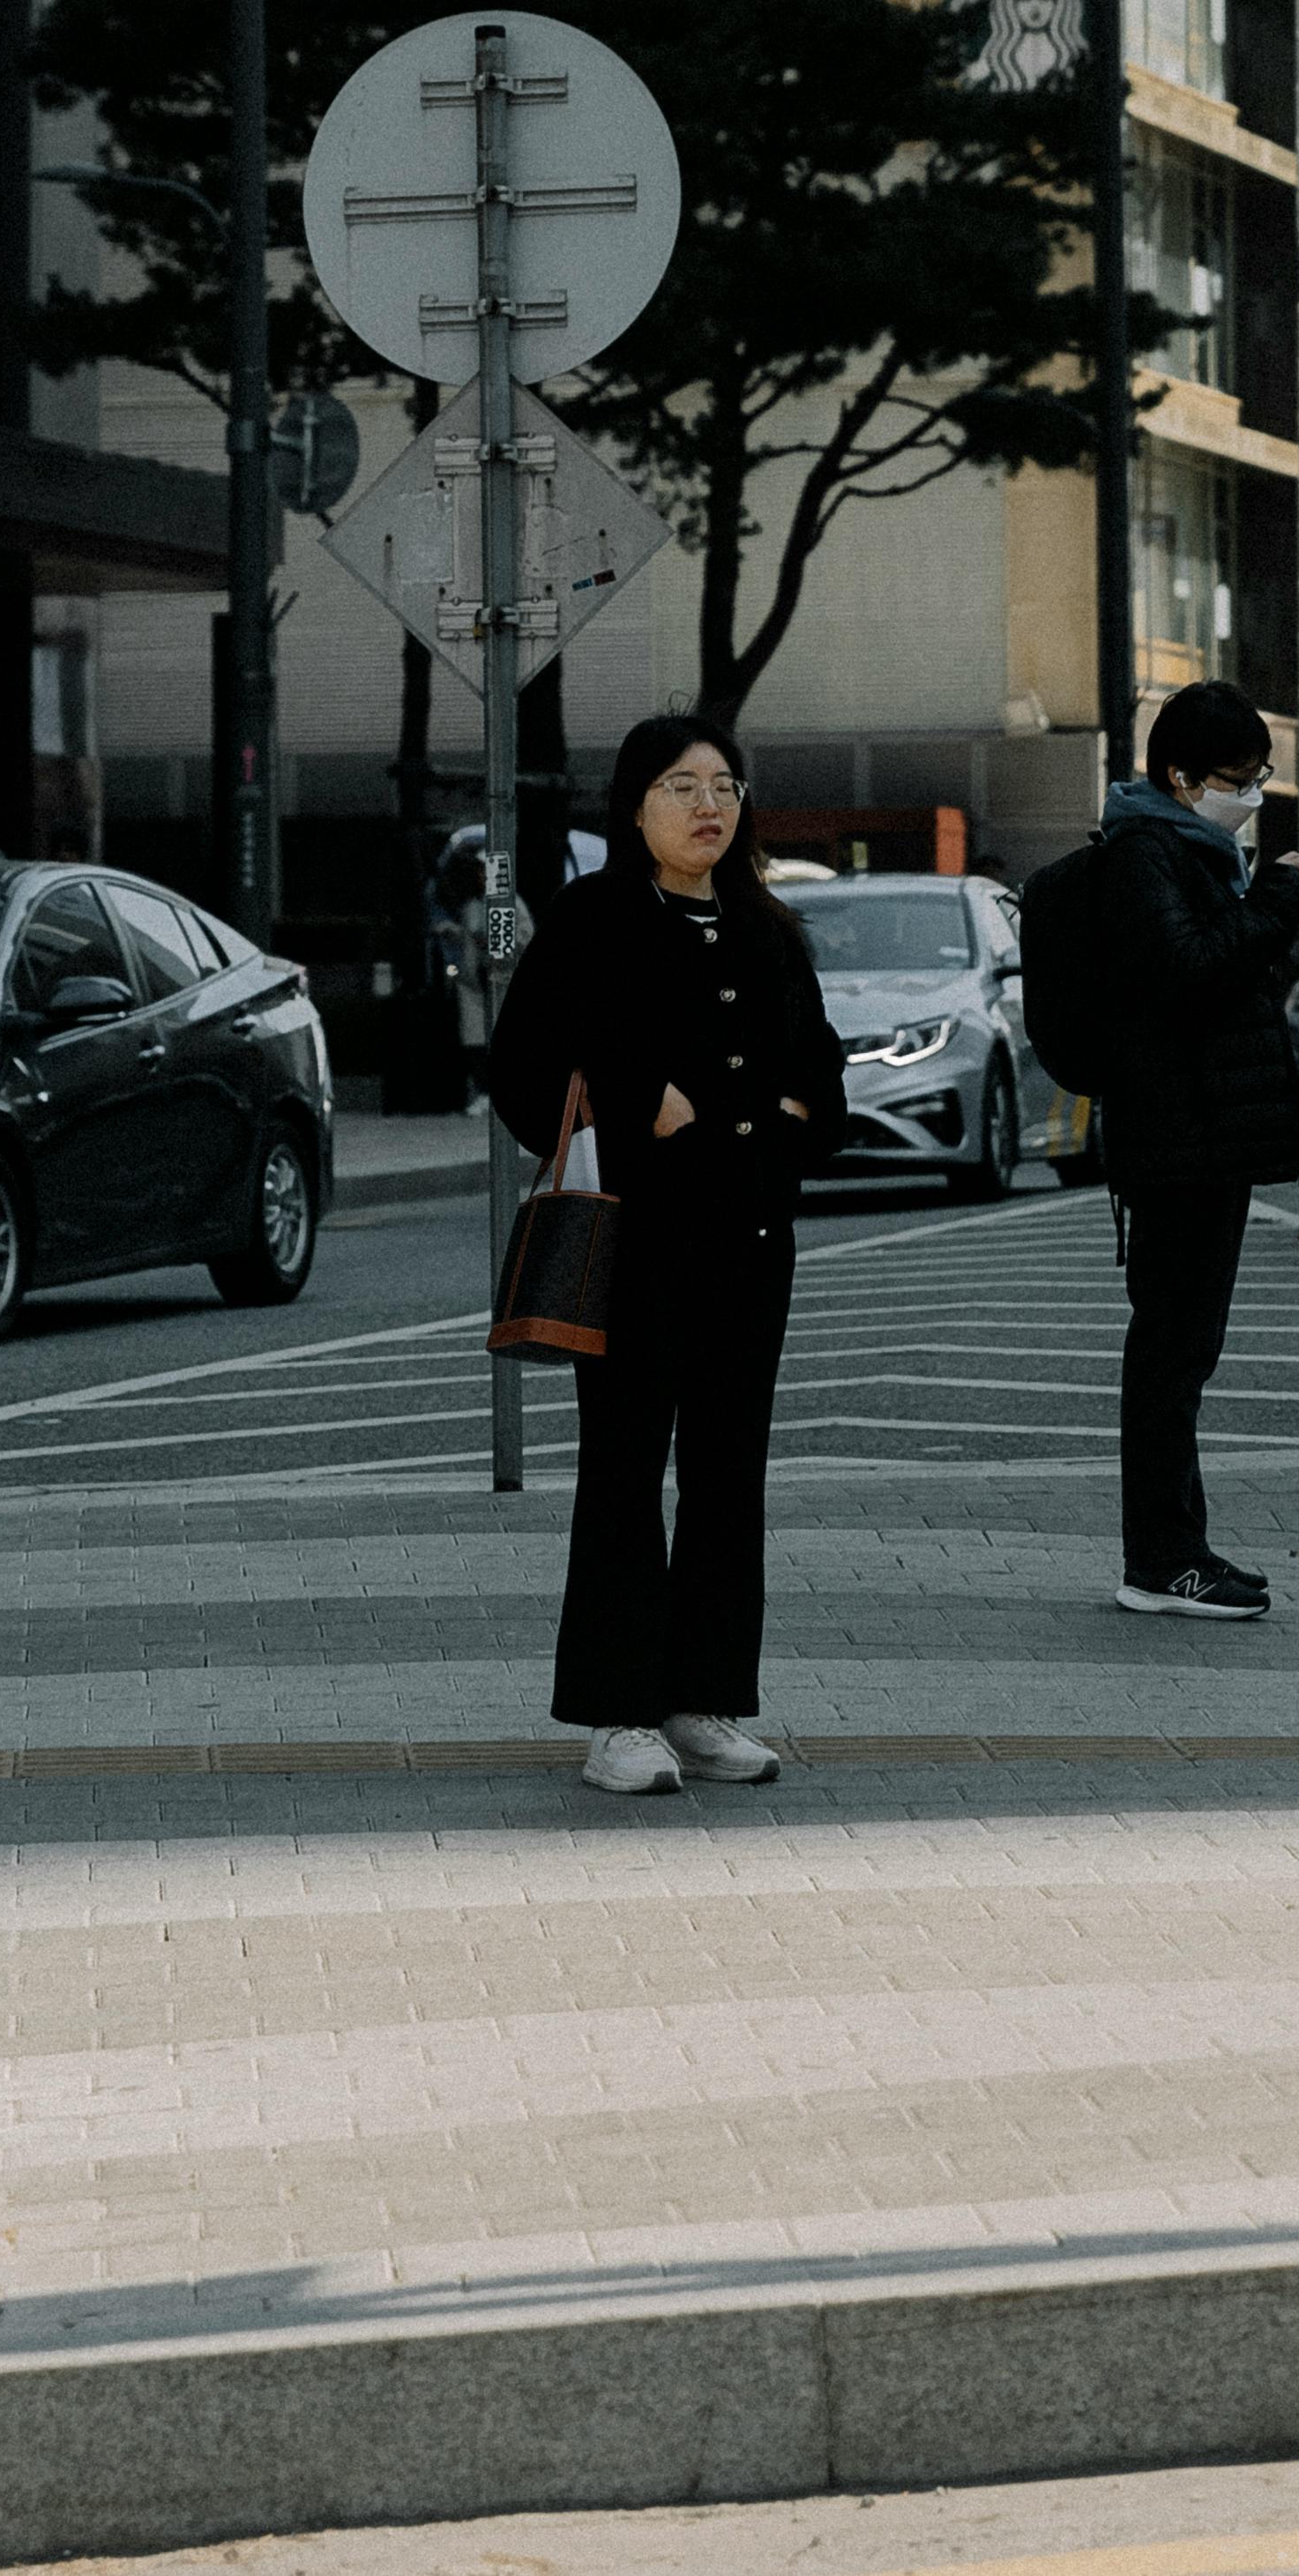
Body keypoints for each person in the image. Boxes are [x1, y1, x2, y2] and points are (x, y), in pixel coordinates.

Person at [488, 711, 848, 1798]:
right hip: (636, 1241)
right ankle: (618, 1714)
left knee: (731, 1475)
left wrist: (790, 1115)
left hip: (748, 1239)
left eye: (725, 786)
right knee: (624, 1468)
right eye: (683, 785)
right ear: (635, 804)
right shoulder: (593, 920)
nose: (707, 805)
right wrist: (648, 1104)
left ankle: (704, 1700)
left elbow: (821, 1074)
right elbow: (524, 1070)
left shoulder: (769, 927)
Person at [1094, 679, 1299, 1623]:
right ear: (1179, 775)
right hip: (1174, 1144)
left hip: (1200, 1138)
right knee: (1169, 1354)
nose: (1250, 794)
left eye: (1258, 776)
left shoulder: (1194, 850)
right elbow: (1191, 975)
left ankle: (1172, 1551)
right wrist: (1279, 891)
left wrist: (1277, 903)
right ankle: (1161, 1559)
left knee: (1181, 1353)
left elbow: (1233, 980)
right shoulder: (1147, 854)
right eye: (1236, 779)